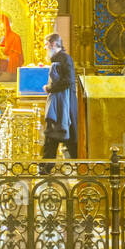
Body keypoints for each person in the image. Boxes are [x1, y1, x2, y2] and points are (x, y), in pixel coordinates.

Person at [41, 33, 77, 168]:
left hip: (64, 105)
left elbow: (67, 81)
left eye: (46, 44)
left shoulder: (64, 59)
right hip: (59, 104)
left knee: (66, 136)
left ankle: (82, 169)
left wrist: (50, 88)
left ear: (53, 44)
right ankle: (46, 168)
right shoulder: (58, 58)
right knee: (54, 136)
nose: (45, 47)